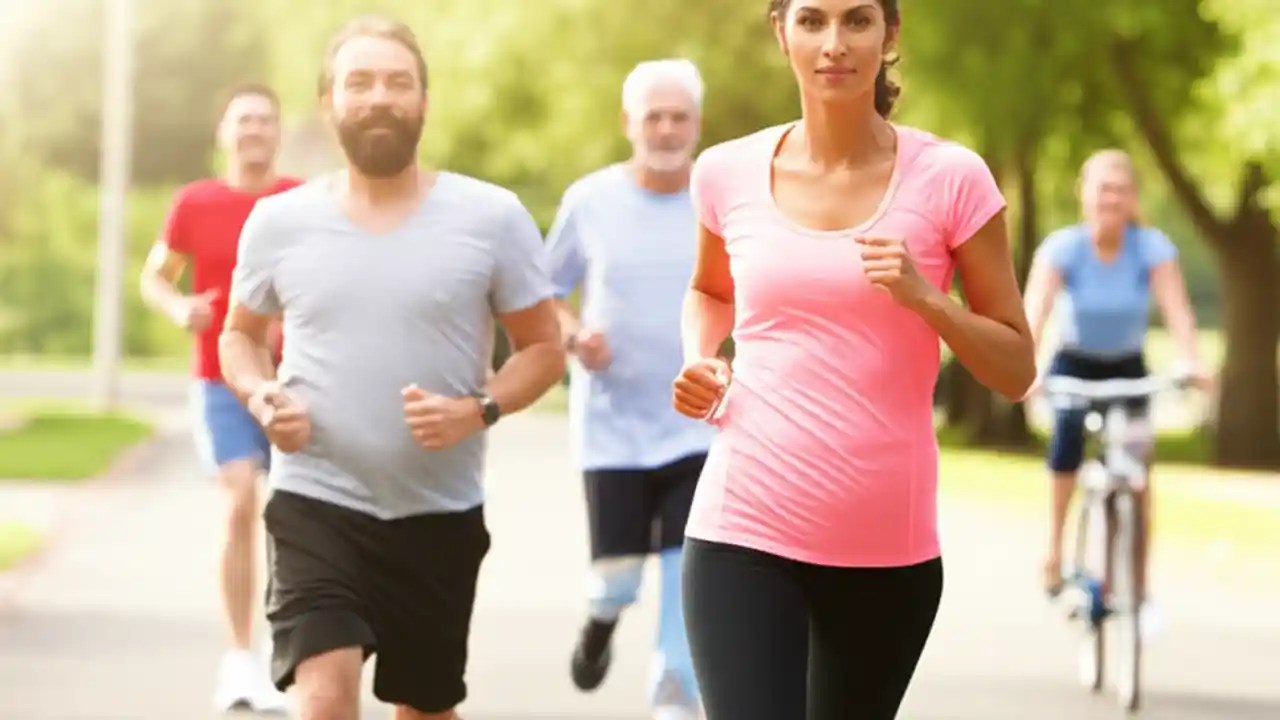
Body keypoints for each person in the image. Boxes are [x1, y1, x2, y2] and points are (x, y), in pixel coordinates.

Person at [669, 1, 1036, 718]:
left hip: (885, 550)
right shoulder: (725, 172)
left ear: (889, 34)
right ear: (782, 33)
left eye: (857, 20)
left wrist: (927, 299)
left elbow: (1016, 370)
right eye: (811, 20)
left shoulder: (952, 179)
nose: (833, 44)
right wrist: (701, 358)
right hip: (742, 528)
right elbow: (710, 291)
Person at [218, 15, 565, 720]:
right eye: (360, 82)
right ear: (329, 103)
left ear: (423, 102)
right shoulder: (279, 223)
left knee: (424, 709)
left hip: (438, 512)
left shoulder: (491, 217)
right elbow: (241, 336)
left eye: (398, 82)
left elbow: (544, 348)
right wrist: (259, 395)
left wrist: (479, 408)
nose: (380, 97)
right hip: (316, 498)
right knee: (323, 695)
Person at [546, 58, 713, 720]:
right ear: (629, 123)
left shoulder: (718, 199)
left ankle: (674, 698)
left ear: (697, 125)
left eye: (679, 118)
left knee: (685, 573)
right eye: (654, 117)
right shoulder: (590, 201)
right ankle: (602, 617)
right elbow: (544, 293)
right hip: (612, 428)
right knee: (617, 577)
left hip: (697, 424)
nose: (667, 130)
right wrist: (572, 334)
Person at [140, 82, 300, 715]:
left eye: (265, 119)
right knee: (239, 503)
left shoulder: (300, 201)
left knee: (298, 517)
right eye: (243, 120)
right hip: (220, 381)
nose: (255, 129)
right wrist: (180, 307)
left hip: (297, 382)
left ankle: (295, 651)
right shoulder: (193, 203)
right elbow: (156, 274)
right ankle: (240, 662)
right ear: (223, 133)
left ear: (278, 132)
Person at [1022, 148, 1208, 610]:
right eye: (1102, 188)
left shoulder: (1152, 248)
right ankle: (1054, 550)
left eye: (1121, 190)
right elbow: (1035, 313)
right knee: (1065, 439)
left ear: (1133, 199)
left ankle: (1138, 580)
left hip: (1127, 367)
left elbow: (1178, 310)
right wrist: (1027, 369)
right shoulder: (1064, 248)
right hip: (1074, 363)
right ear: (1084, 195)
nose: (1111, 198)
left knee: (1139, 471)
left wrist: (1192, 361)